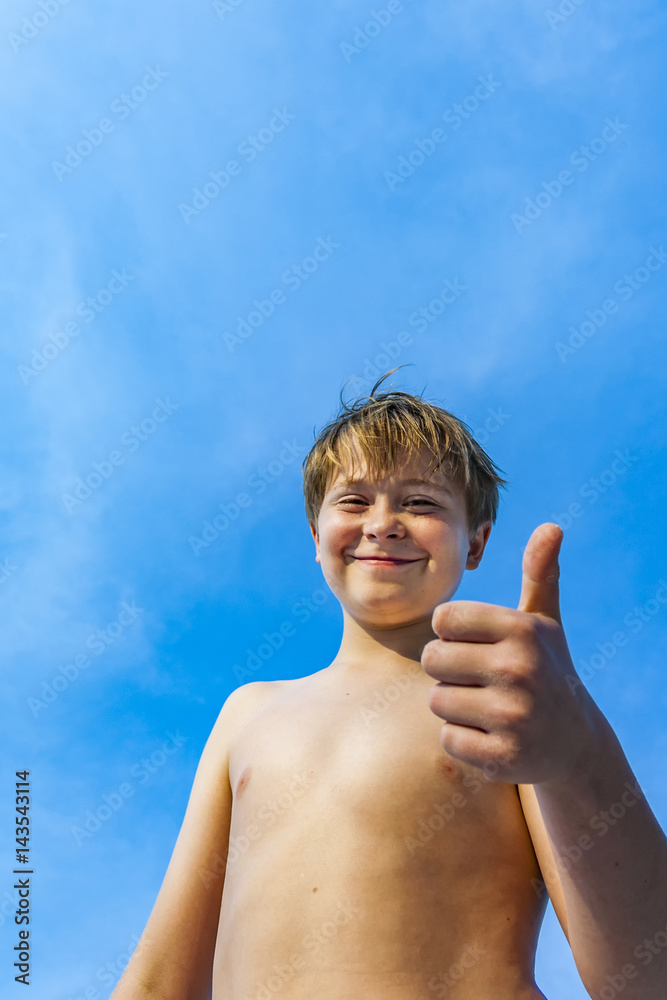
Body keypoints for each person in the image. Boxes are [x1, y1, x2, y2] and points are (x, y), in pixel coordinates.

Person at [111, 369, 667, 1000]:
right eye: (354, 501)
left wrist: (578, 755)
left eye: (422, 502)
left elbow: (643, 976)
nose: (384, 523)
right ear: (316, 537)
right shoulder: (248, 713)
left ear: (477, 542)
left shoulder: (506, 707)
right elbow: (159, 981)